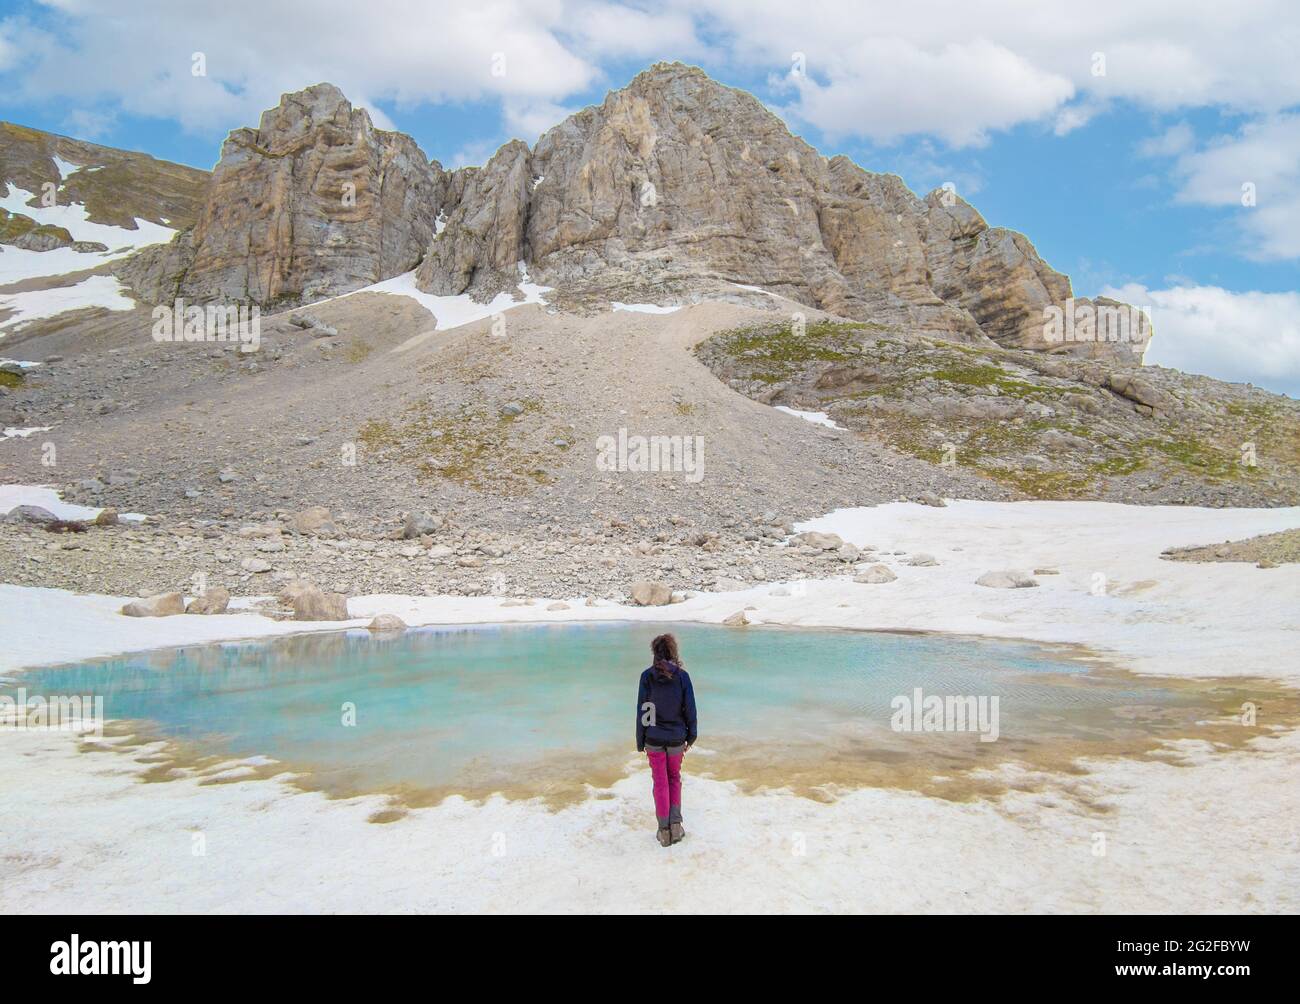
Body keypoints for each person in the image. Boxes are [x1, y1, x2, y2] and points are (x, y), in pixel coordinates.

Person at [635, 632, 697, 846]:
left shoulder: (647, 677)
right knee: (674, 779)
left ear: (655, 653)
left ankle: (663, 831)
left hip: (653, 738)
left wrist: (640, 738)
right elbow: (690, 709)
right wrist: (692, 735)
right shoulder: (683, 677)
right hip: (676, 738)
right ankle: (676, 827)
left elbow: (644, 710)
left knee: (660, 782)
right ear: (673, 652)